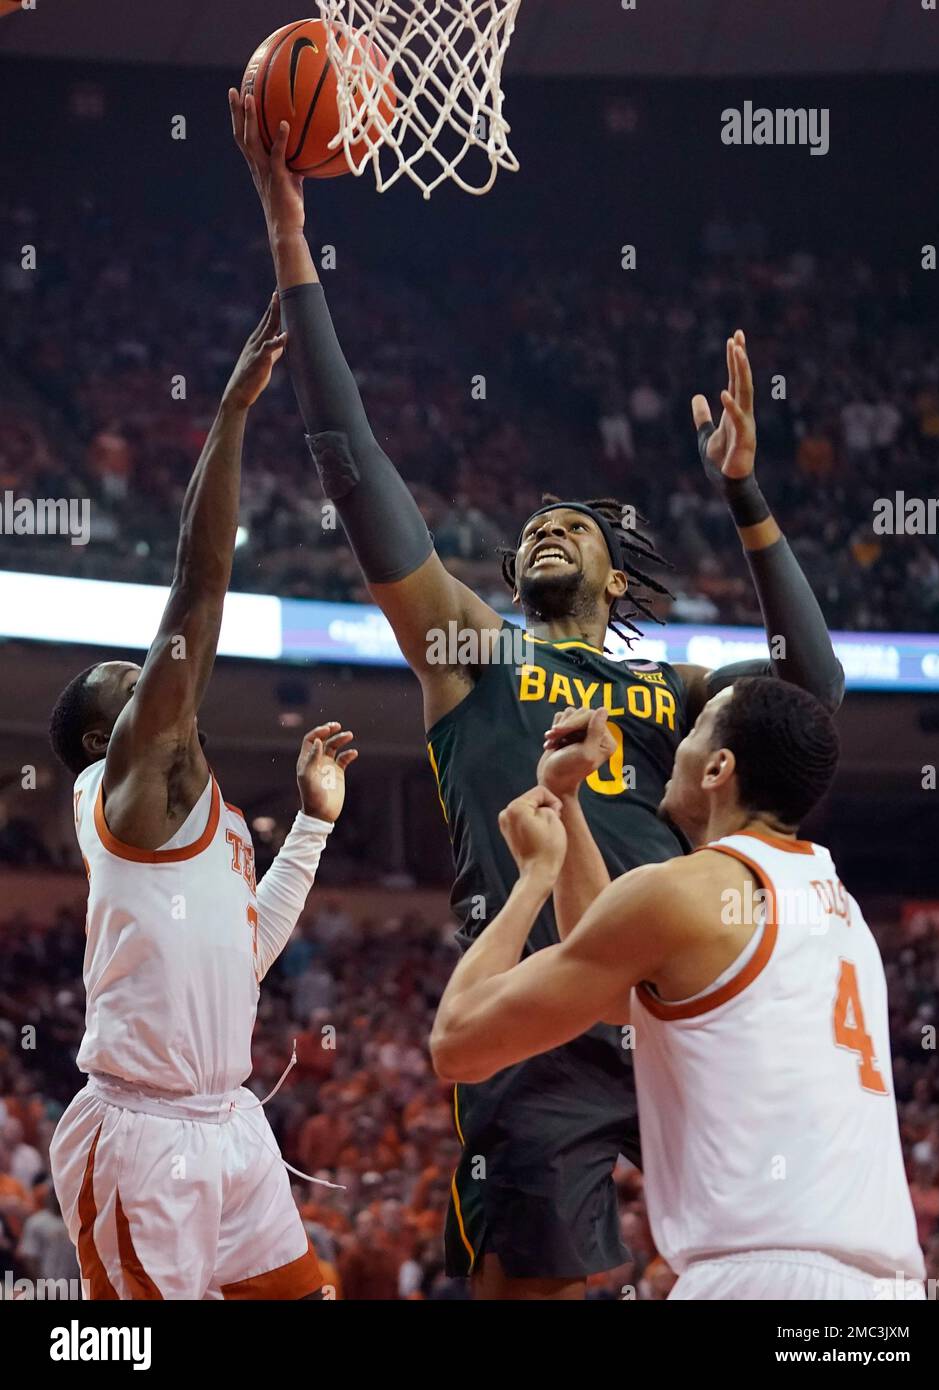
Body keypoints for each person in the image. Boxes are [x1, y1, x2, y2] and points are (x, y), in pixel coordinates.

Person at [230, 94, 845, 1299]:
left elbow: (814, 692)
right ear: (513, 577)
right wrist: (290, 231)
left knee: (763, 1281)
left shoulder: (680, 692)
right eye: (534, 530)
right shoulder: (475, 652)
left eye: (578, 526)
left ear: (617, 578)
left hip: (682, 1002)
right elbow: (356, 475)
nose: (552, 530)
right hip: (539, 1013)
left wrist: (749, 498)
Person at [46, 300, 359, 1300]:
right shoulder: (127, 792)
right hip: (142, 1137)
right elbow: (199, 585)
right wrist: (229, 414)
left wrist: (312, 823)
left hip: (230, 1121)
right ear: (108, 742)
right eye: (126, 687)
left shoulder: (205, 818)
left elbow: (249, 951)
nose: (149, 687)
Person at [430, 679, 924, 1300]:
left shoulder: (682, 892)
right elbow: (613, 970)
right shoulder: (840, 912)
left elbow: (459, 1043)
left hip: (761, 1280)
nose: (673, 746)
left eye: (692, 732)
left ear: (719, 768)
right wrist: (567, 799)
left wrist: (533, 878)